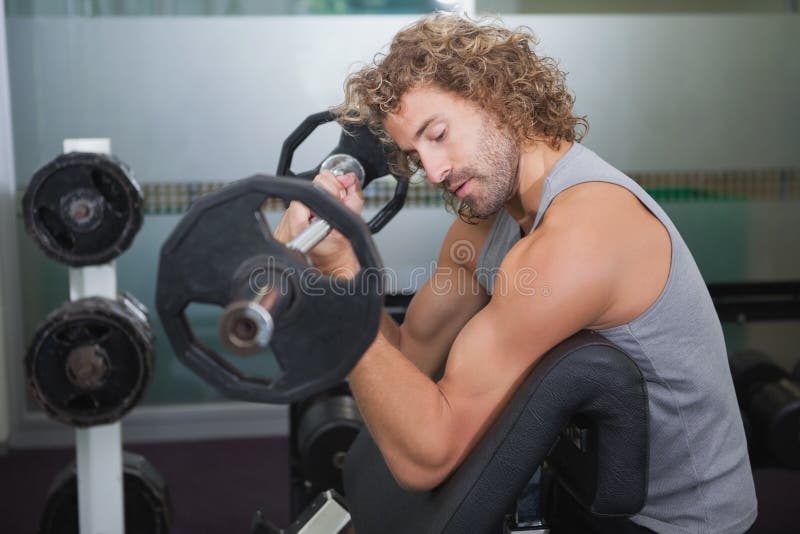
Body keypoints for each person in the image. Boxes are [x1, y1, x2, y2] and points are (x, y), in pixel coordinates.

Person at [275, 13, 757, 534]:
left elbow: (424, 459)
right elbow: (409, 364)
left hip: (679, 525)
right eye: (417, 154)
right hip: (582, 490)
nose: (433, 171)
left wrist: (346, 275)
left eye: (437, 134)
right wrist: (343, 251)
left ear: (496, 95)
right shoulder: (483, 226)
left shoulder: (585, 233)